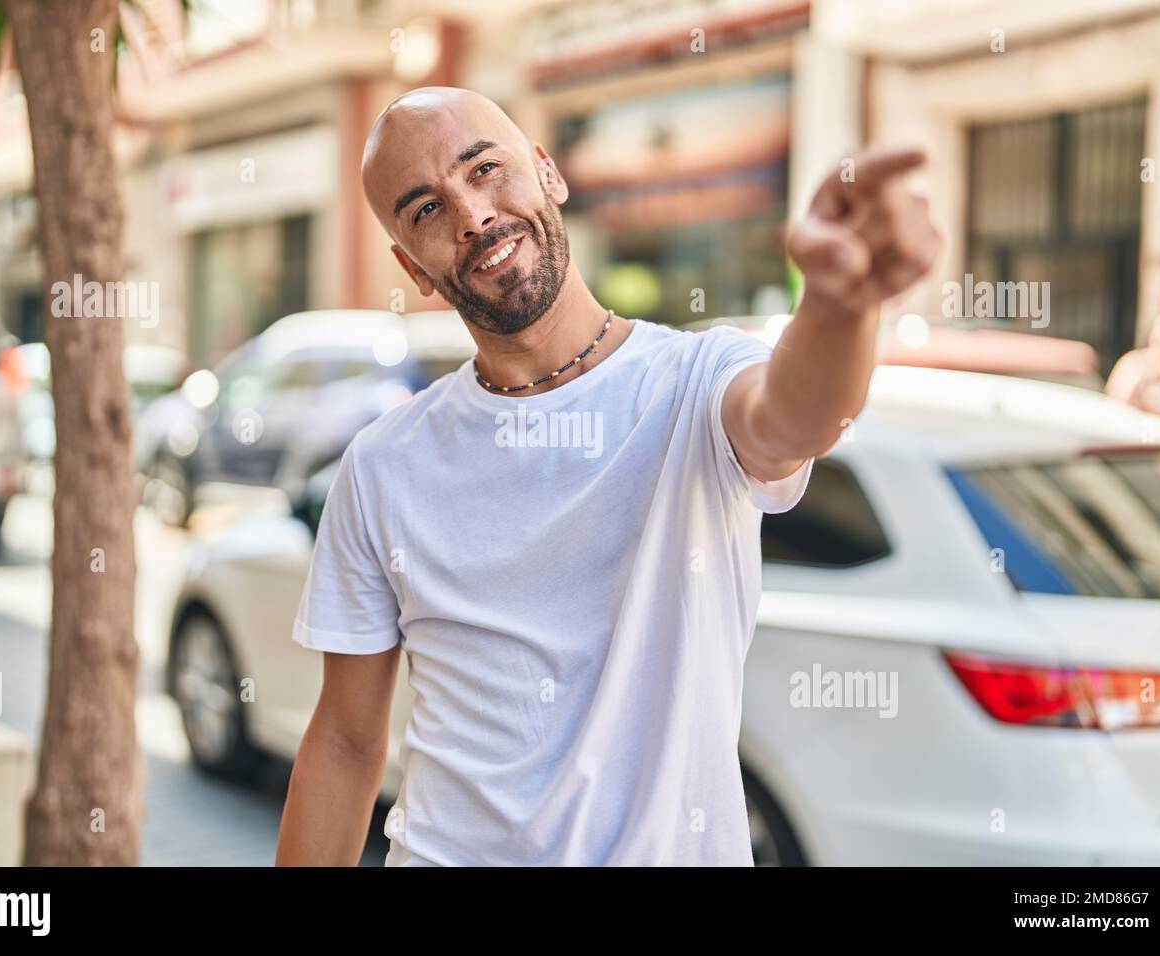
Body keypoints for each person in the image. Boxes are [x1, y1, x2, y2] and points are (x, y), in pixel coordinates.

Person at [274, 86, 940, 866]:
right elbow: (348, 740)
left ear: (547, 172)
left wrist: (839, 305)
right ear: (410, 267)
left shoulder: (695, 383)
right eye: (425, 210)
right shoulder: (383, 464)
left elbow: (794, 419)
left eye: (485, 169)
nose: (471, 215)